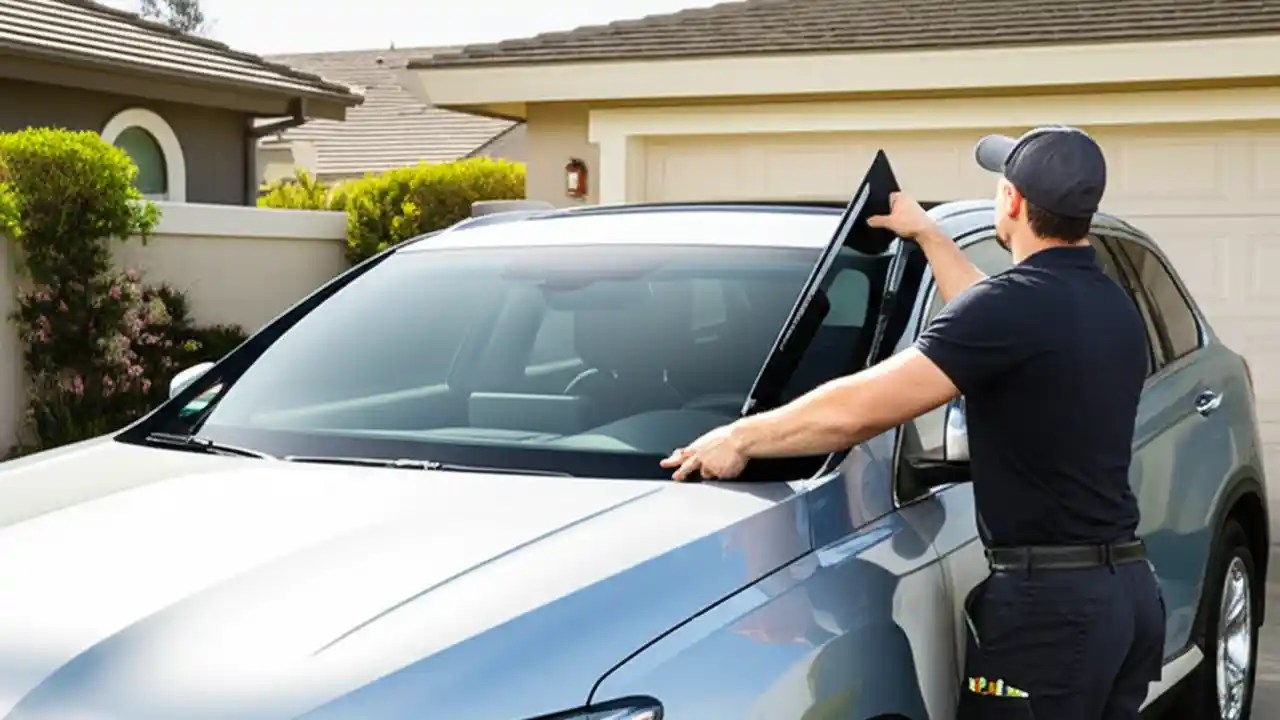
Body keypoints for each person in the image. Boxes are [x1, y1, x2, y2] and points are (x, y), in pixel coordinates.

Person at [660, 125, 1166, 719]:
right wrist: (927, 234)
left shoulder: (1011, 310)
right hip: (1124, 598)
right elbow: (984, 317)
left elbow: (855, 411)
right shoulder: (1107, 305)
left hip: (1049, 620)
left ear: (1013, 202)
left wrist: (741, 435)